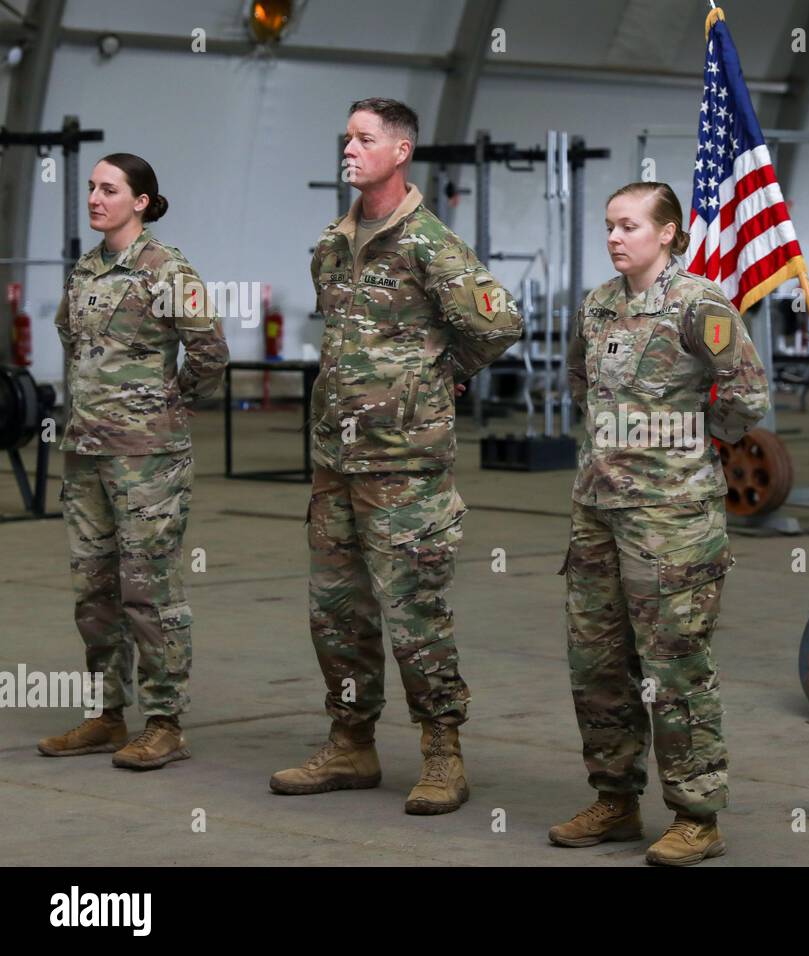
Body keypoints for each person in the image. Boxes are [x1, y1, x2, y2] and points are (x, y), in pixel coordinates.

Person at [269, 98, 521, 815]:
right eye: (345, 136)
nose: (348, 148)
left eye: (364, 138)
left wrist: (439, 373)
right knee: (336, 615)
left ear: (401, 151)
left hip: (405, 467)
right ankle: (350, 743)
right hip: (334, 462)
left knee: (414, 616)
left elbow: (499, 321)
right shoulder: (331, 242)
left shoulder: (429, 243)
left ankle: (443, 752)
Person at [549, 181, 768, 865]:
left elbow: (746, 396)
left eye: (630, 226)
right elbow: (580, 384)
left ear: (668, 232)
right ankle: (614, 799)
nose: (615, 238)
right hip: (597, 510)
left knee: (673, 668)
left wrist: (687, 448)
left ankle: (696, 815)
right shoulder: (597, 305)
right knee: (597, 662)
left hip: (671, 520)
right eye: (609, 226)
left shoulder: (698, 304)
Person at [39, 153, 229, 769]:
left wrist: (168, 407)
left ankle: (165, 721)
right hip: (86, 453)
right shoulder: (85, 269)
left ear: (140, 201)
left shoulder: (167, 269)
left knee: (149, 591)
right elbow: (72, 341)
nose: (95, 198)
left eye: (109, 189)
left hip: (148, 460)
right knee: (93, 590)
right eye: (91, 188)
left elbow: (209, 353)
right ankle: (106, 714)